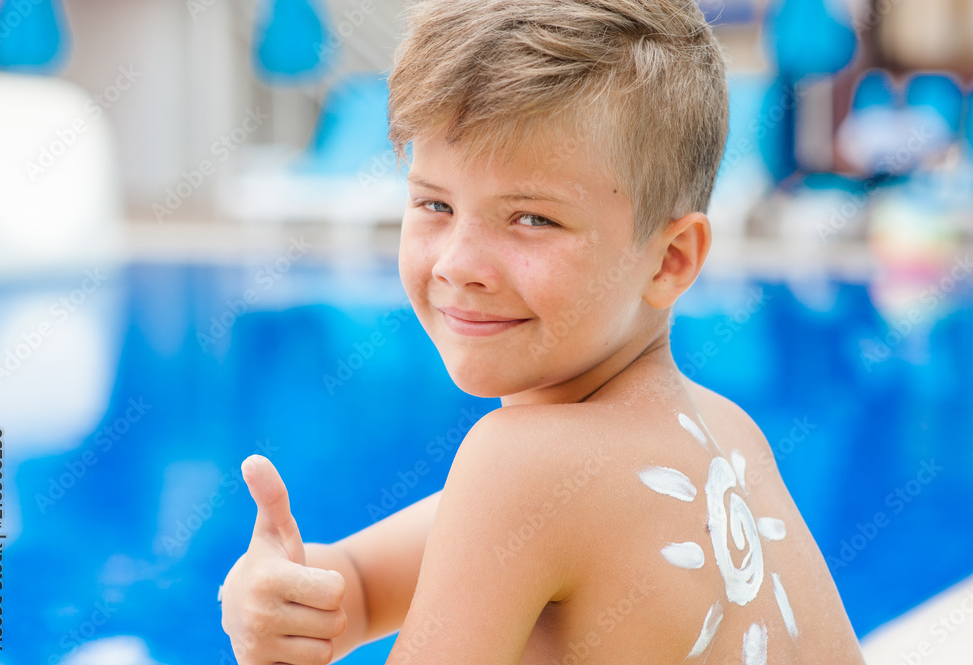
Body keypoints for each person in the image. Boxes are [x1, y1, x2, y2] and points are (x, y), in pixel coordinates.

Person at [220, 0, 867, 663]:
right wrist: (283, 598)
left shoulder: (521, 467)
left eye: (531, 218)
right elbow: (353, 584)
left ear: (670, 259)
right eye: (435, 204)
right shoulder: (732, 436)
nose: (458, 265)